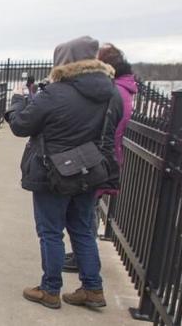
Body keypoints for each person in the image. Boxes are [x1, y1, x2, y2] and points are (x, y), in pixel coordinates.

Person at [5, 36, 122, 310]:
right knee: (82, 230)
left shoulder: (55, 93)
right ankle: (93, 288)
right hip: (90, 170)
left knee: (50, 232)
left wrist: (18, 100)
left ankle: (50, 289)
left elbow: (21, 125)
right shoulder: (111, 92)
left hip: (54, 172)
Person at [63, 42, 137, 271]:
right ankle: (83, 260)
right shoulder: (120, 90)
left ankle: (86, 265)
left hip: (96, 160)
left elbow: (109, 131)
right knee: (87, 213)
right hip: (100, 158)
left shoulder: (115, 92)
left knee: (85, 217)